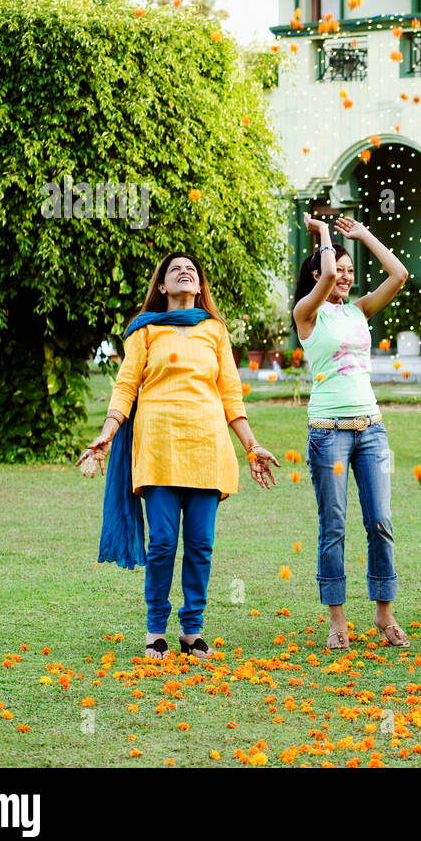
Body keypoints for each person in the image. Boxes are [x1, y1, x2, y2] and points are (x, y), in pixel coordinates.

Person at [76, 252, 279, 659]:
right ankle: (156, 629)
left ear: (200, 286)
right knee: (164, 543)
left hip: (207, 448)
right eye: (175, 270)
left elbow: (231, 394)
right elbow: (125, 387)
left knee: (201, 544)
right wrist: (107, 435)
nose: (185, 273)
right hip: (157, 448)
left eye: (191, 270)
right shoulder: (144, 331)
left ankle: (192, 629)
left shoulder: (214, 331)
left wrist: (252, 445)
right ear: (162, 286)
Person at [292, 214, 411, 651]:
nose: (344, 276)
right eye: (337, 269)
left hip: (370, 429)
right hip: (329, 432)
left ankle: (384, 613)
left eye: (348, 270)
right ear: (316, 275)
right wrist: (323, 232)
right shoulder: (307, 314)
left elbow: (398, 275)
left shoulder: (358, 311)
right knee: (334, 526)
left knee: (380, 521)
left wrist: (362, 236)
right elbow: (323, 274)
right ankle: (337, 620)